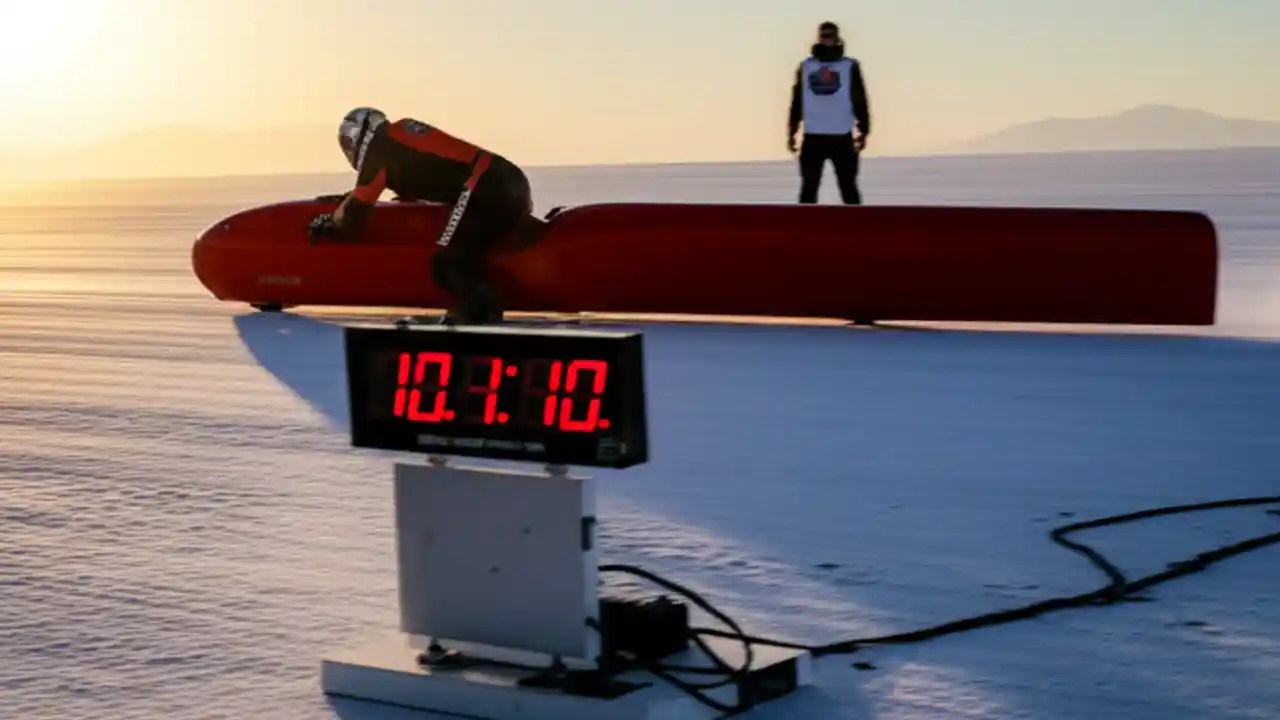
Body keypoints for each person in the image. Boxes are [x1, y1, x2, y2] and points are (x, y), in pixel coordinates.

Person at [308, 107, 543, 325]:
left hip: (484, 188)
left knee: (447, 262)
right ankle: (484, 303)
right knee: (464, 251)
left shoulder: (378, 150)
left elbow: (352, 220)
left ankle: (480, 312)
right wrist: (352, 197)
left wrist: (328, 222)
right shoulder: (397, 136)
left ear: (357, 135)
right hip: (505, 181)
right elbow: (426, 169)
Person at [787, 22, 871, 205]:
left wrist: (864, 129)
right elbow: (797, 100)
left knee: (849, 188)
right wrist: (792, 130)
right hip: (813, 135)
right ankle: (804, 231)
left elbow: (859, 98)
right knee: (808, 190)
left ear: (837, 38)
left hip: (841, 135)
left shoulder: (849, 66)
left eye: (830, 35)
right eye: (824, 36)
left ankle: (858, 230)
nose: (827, 39)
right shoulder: (806, 67)